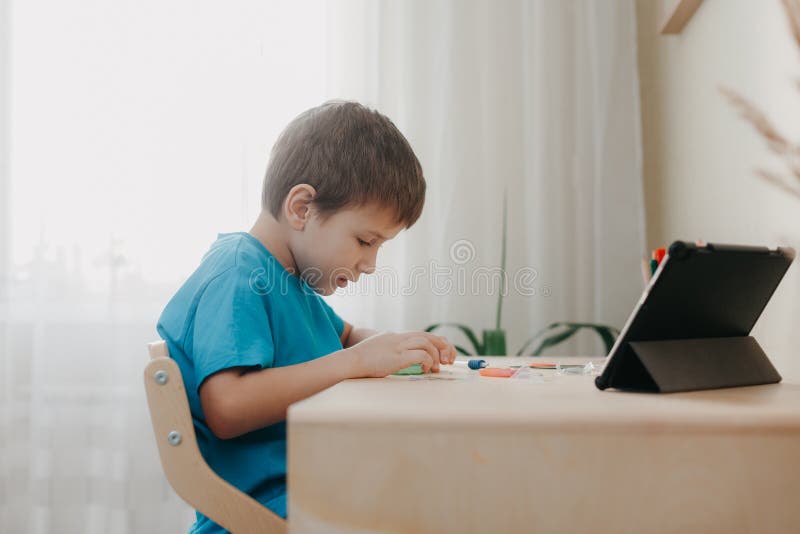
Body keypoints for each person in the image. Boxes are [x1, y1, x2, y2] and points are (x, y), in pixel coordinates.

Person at [156, 100, 457, 532]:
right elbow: (227, 405)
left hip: (313, 491)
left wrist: (396, 346)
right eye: (364, 240)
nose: (370, 264)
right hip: (273, 509)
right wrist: (357, 361)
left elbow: (348, 336)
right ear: (302, 208)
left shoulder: (288, 281)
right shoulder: (238, 273)